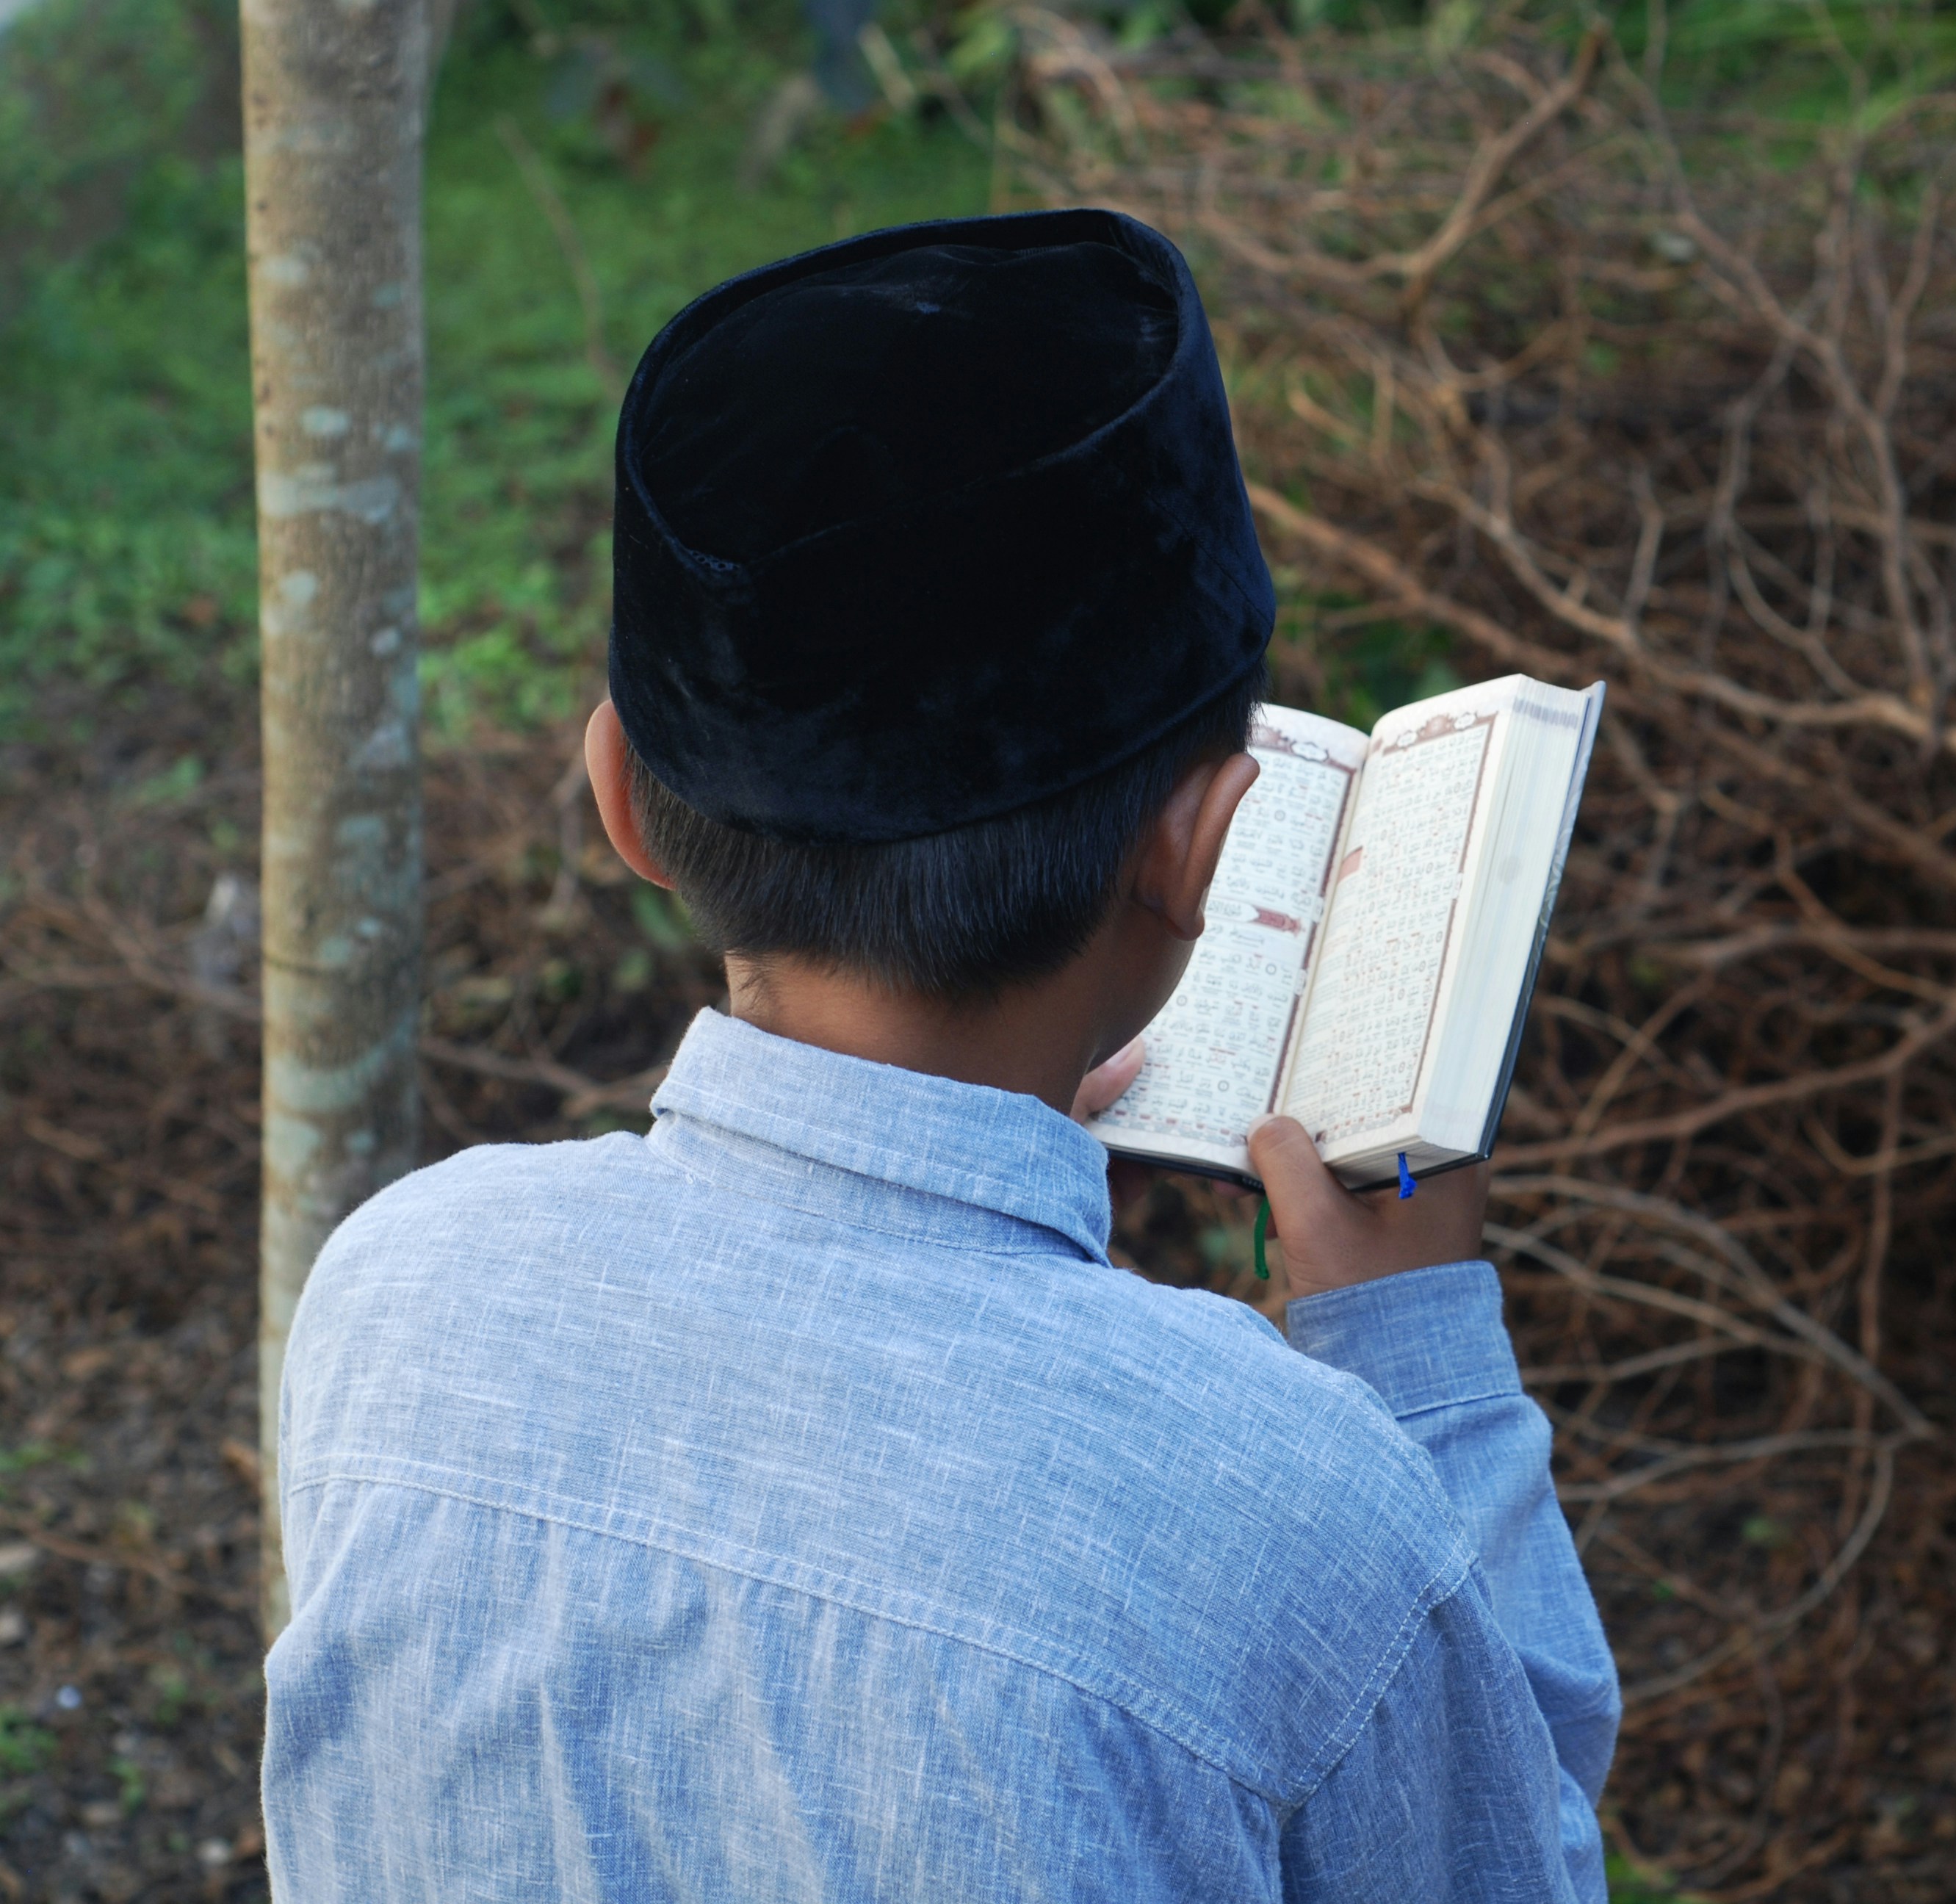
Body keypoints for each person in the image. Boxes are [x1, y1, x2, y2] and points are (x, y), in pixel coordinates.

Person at [260, 209, 1620, 1901]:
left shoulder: (401, 1294)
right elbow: (1517, 1867)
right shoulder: (1297, 1514)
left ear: (625, 802)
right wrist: (1413, 1341)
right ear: (1200, 847)